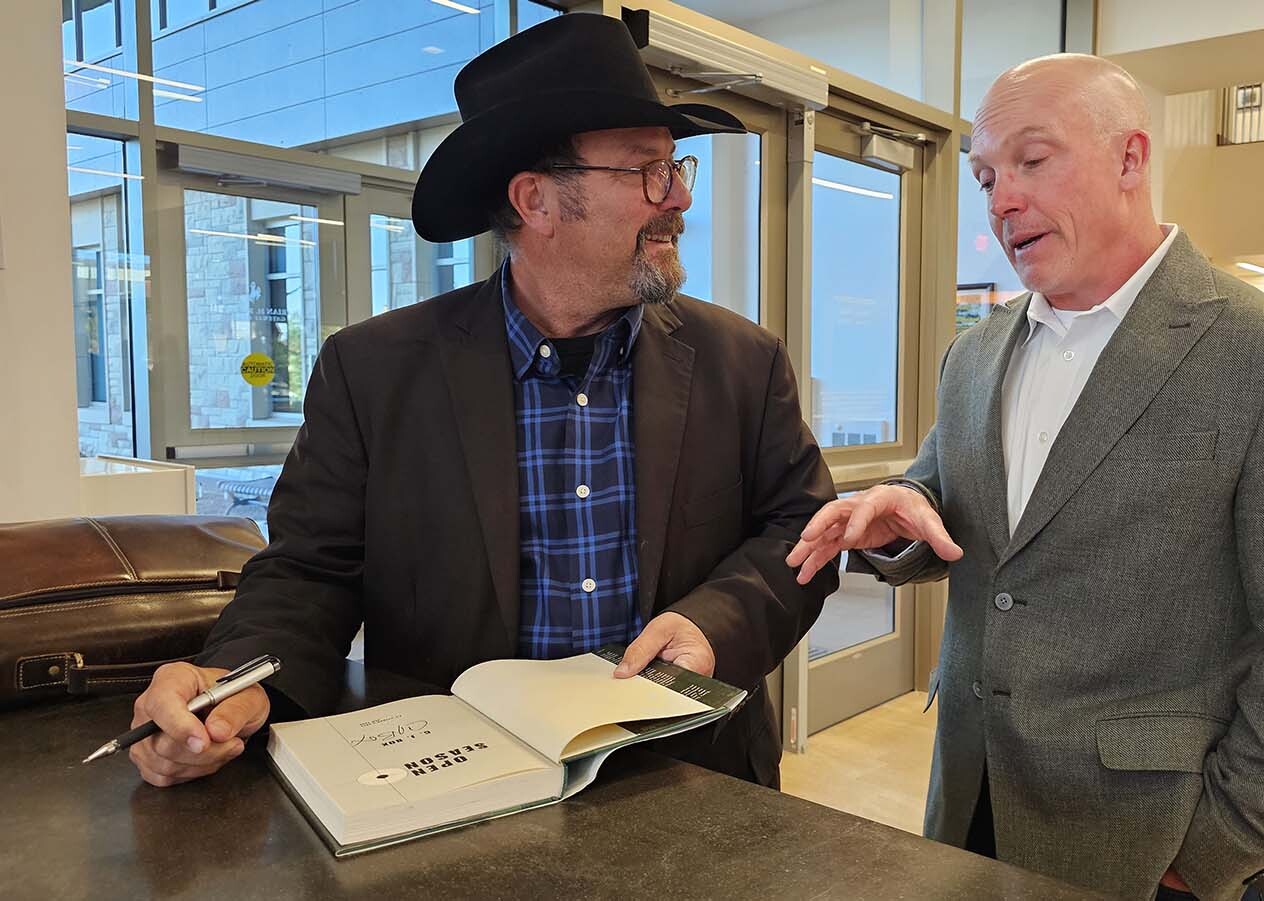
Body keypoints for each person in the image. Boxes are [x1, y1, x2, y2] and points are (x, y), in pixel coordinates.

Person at [128, 14, 837, 792]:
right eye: (645, 171)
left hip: (695, 774)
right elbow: (309, 570)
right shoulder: (372, 373)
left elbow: (798, 531)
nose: (676, 200)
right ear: (535, 200)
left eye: (674, 169)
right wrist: (234, 680)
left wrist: (714, 622)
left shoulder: (742, 361)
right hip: (460, 785)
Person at [786, 54, 1264, 901]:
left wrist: (1217, 846)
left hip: (1156, 843)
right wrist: (907, 502)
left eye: (1032, 161)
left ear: (1130, 159)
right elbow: (958, 504)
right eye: (985, 176)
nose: (1002, 199)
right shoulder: (974, 355)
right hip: (971, 800)